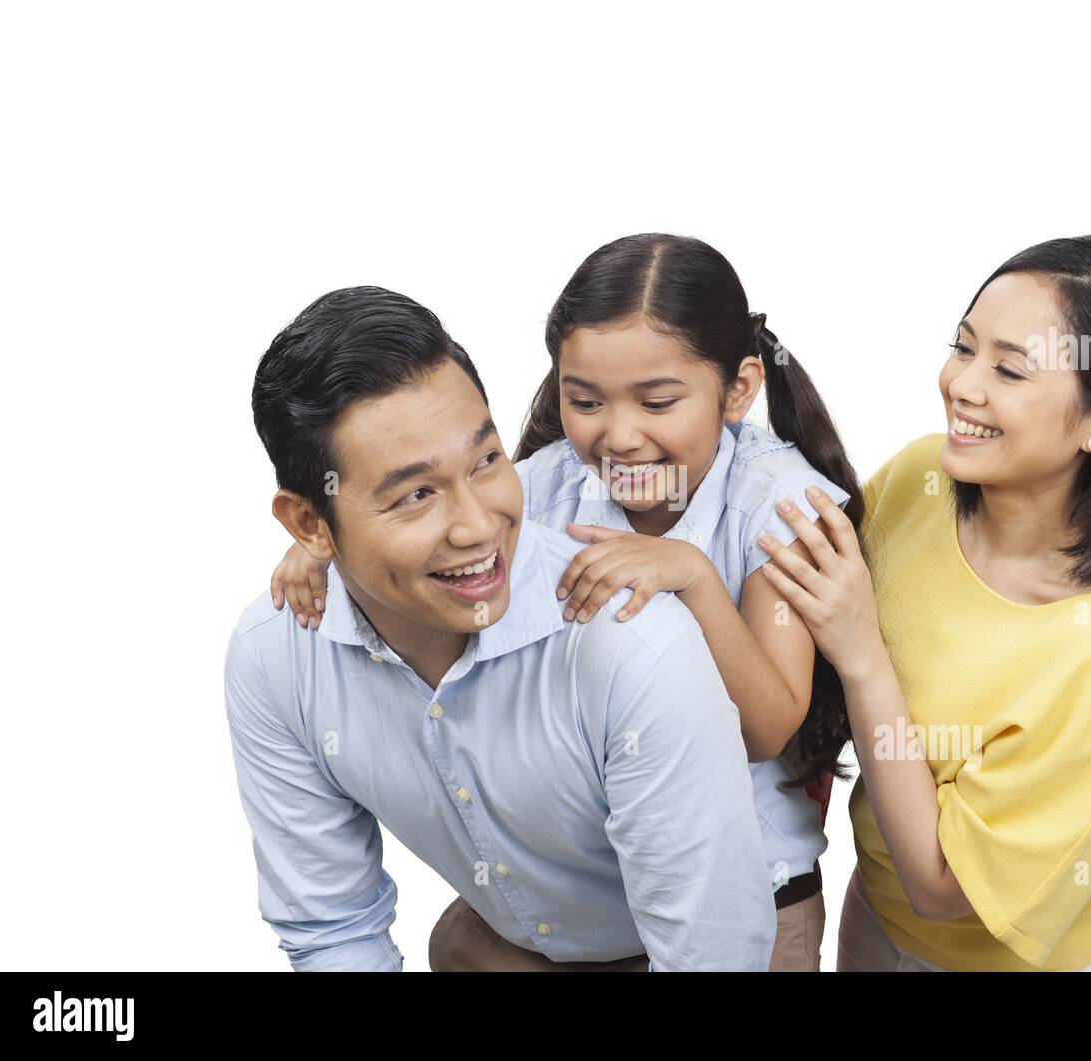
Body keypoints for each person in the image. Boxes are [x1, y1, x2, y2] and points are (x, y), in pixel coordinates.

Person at [269, 234, 865, 969]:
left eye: (657, 401)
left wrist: (694, 578)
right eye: (584, 401)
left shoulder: (776, 504)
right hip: (596, 881)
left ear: (738, 389)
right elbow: (428, 517)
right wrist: (325, 540)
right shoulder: (548, 485)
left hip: (757, 893)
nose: (618, 434)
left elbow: (768, 727)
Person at [756, 236, 1091, 971]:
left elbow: (939, 883)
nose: (962, 384)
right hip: (877, 916)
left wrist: (864, 654)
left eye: (1009, 368)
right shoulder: (918, 481)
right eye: (963, 347)